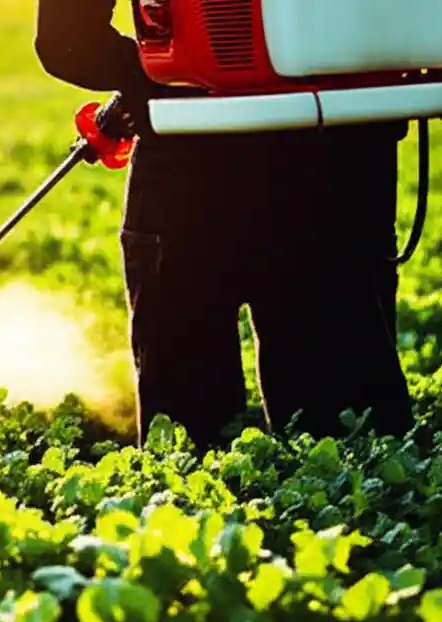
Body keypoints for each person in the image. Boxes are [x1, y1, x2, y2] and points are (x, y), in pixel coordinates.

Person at [34, 0, 416, 450]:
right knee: (355, 449)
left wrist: (161, 79)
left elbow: (68, 40)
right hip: (337, 159)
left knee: (191, 457)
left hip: (192, 174)